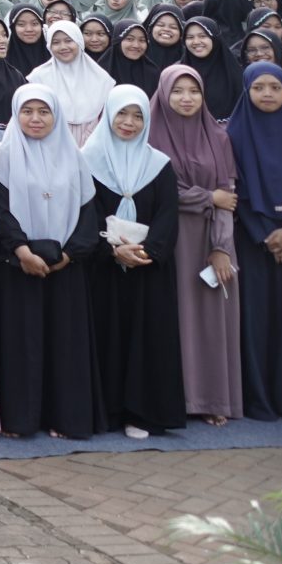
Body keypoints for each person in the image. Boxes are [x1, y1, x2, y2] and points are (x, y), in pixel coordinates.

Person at [0, 85, 104, 439]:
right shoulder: (0, 157)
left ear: (56, 116)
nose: (35, 119)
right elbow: (0, 212)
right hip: (16, 269)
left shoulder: (75, 158)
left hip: (65, 269)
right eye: (27, 111)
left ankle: (65, 419)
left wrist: (69, 256)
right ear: (15, 114)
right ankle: (19, 420)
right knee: (22, 344)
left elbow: (88, 216)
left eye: (44, 112)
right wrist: (22, 252)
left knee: (63, 346)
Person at [79, 85, 185, 436]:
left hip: (147, 269)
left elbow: (169, 214)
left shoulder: (159, 164)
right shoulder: (87, 161)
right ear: (108, 115)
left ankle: (140, 412)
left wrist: (148, 252)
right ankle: (105, 409)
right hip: (103, 268)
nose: (129, 122)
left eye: (137, 115)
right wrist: (112, 250)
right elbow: (83, 215)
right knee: (106, 335)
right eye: (122, 113)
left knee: (147, 338)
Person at [148, 64, 243, 422]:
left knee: (208, 318)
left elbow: (228, 197)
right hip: (169, 238)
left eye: (194, 91)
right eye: (177, 91)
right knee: (174, 318)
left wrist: (221, 249)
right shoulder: (150, 133)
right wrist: (207, 196)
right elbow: (162, 192)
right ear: (163, 93)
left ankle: (211, 401)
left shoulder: (218, 136)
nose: (186, 99)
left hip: (208, 239)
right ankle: (178, 399)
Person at [228, 61, 282, 420]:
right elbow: (233, 188)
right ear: (246, 90)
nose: (267, 94)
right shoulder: (233, 134)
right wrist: (265, 235)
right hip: (251, 240)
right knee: (256, 321)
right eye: (259, 88)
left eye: (275, 87)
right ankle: (260, 400)